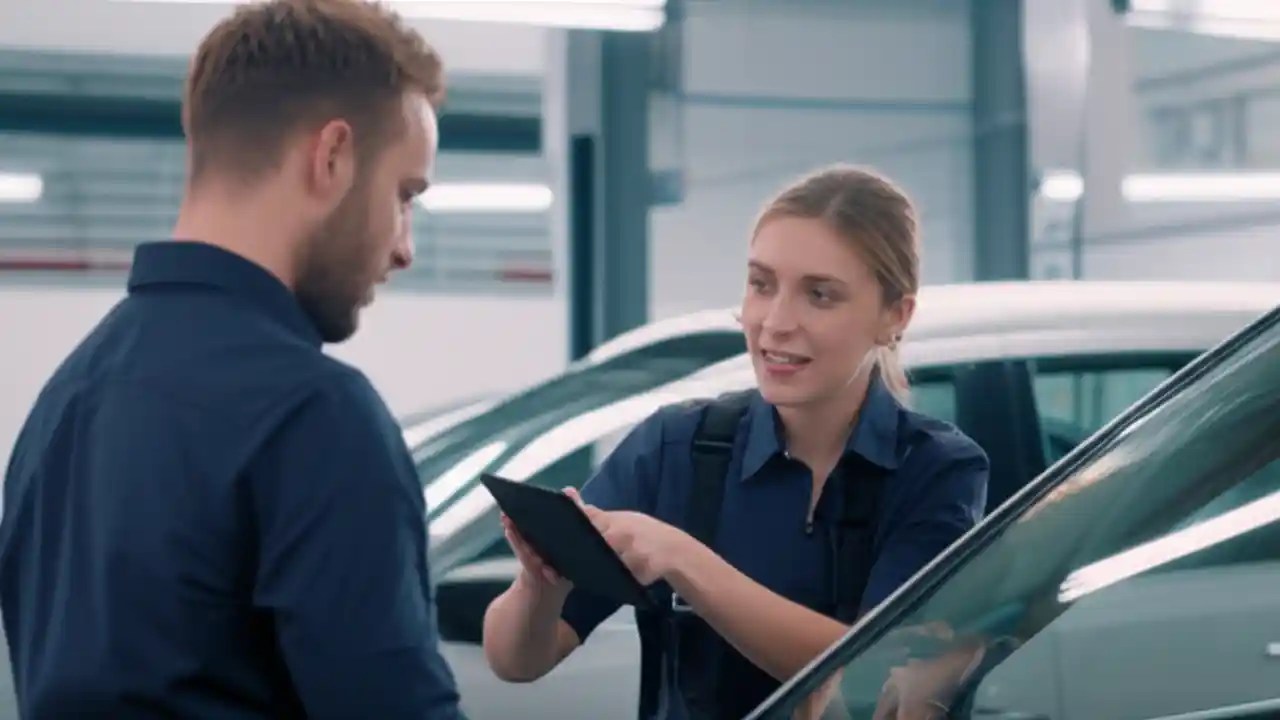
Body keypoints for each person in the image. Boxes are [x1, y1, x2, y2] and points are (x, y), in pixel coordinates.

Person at [0, 1, 463, 717]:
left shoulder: (66, 402)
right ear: (332, 157)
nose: (405, 246)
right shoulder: (313, 415)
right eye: (404, 196)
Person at [481, 164, 991, 720]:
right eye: (761, 284)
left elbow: (876, 685)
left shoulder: (936, 471)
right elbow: (517, 660)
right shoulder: (676, 448)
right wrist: (540, 585)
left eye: (819, 295)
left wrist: (683, 560)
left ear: (895, 315)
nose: (775, 322)